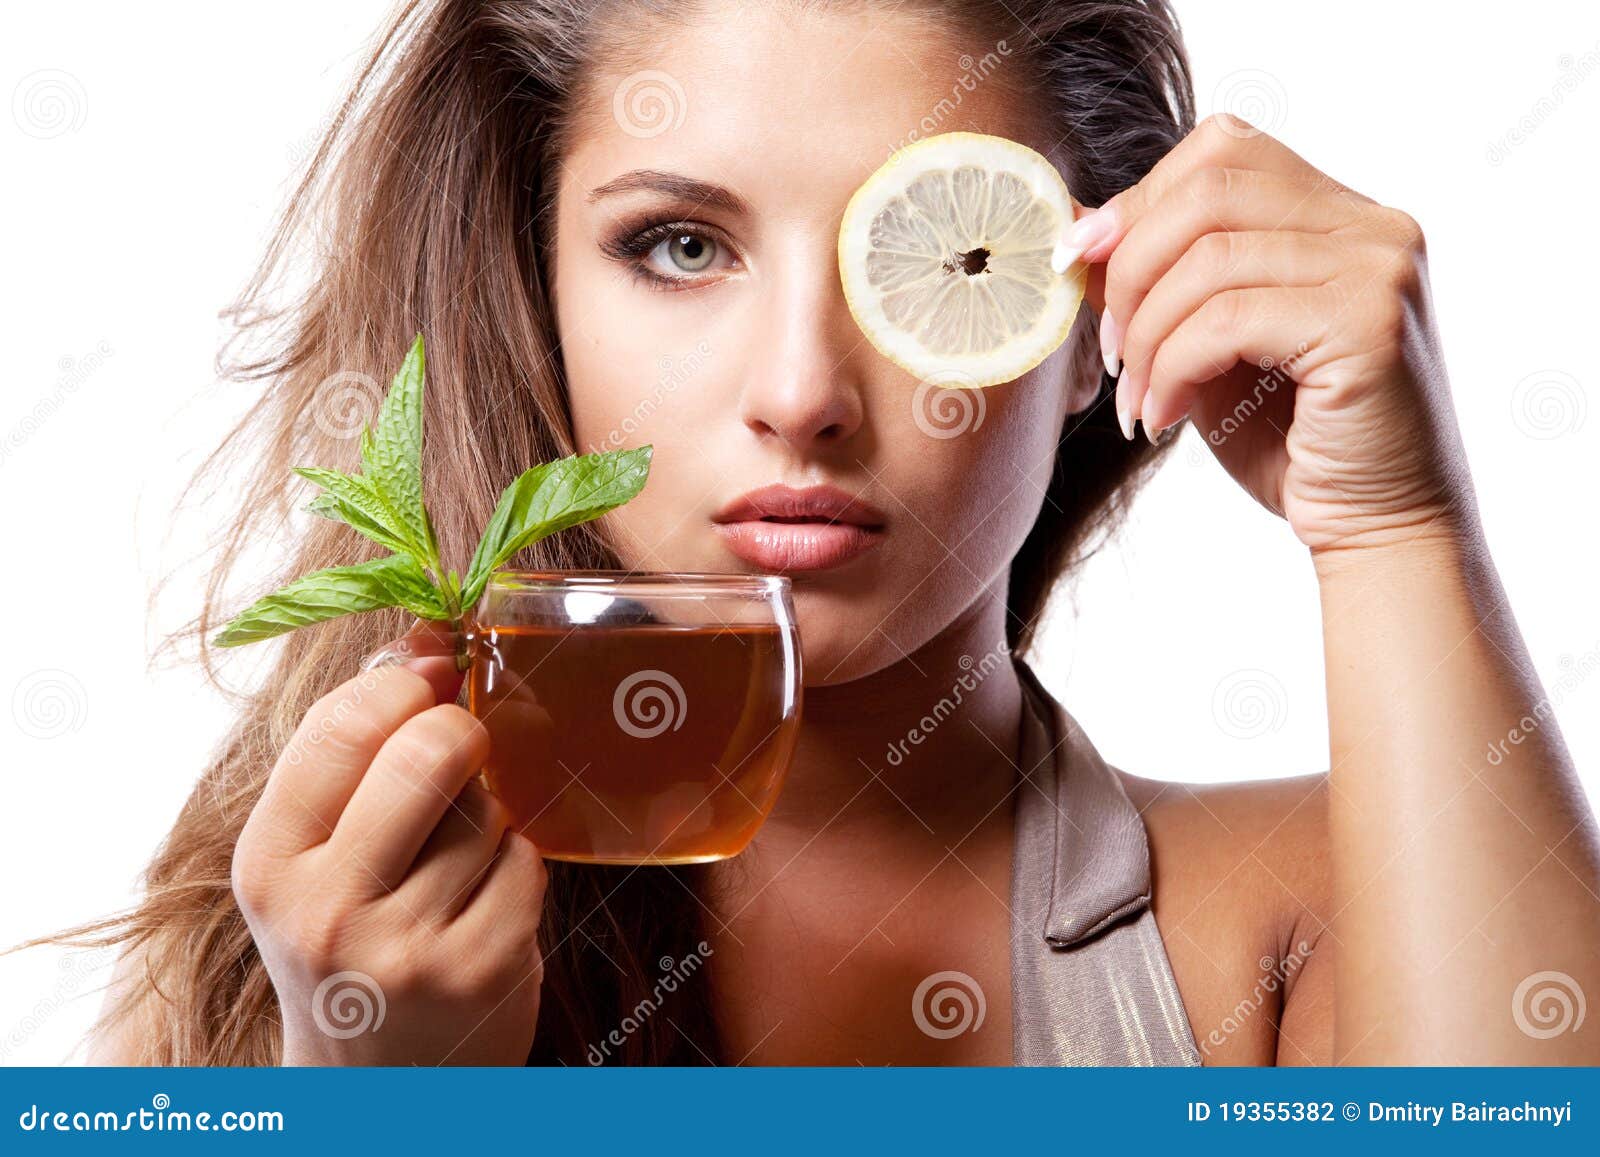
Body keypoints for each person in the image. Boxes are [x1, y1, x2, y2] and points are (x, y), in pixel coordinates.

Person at [65, 0, 1598, 1065]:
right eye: (681, 244)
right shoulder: (279, 936)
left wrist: (1392, 527)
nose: (801, 391)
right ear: (537, 295)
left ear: (1091, 327)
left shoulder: (1318, 910)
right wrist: (384, 1103)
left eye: (947, 252)